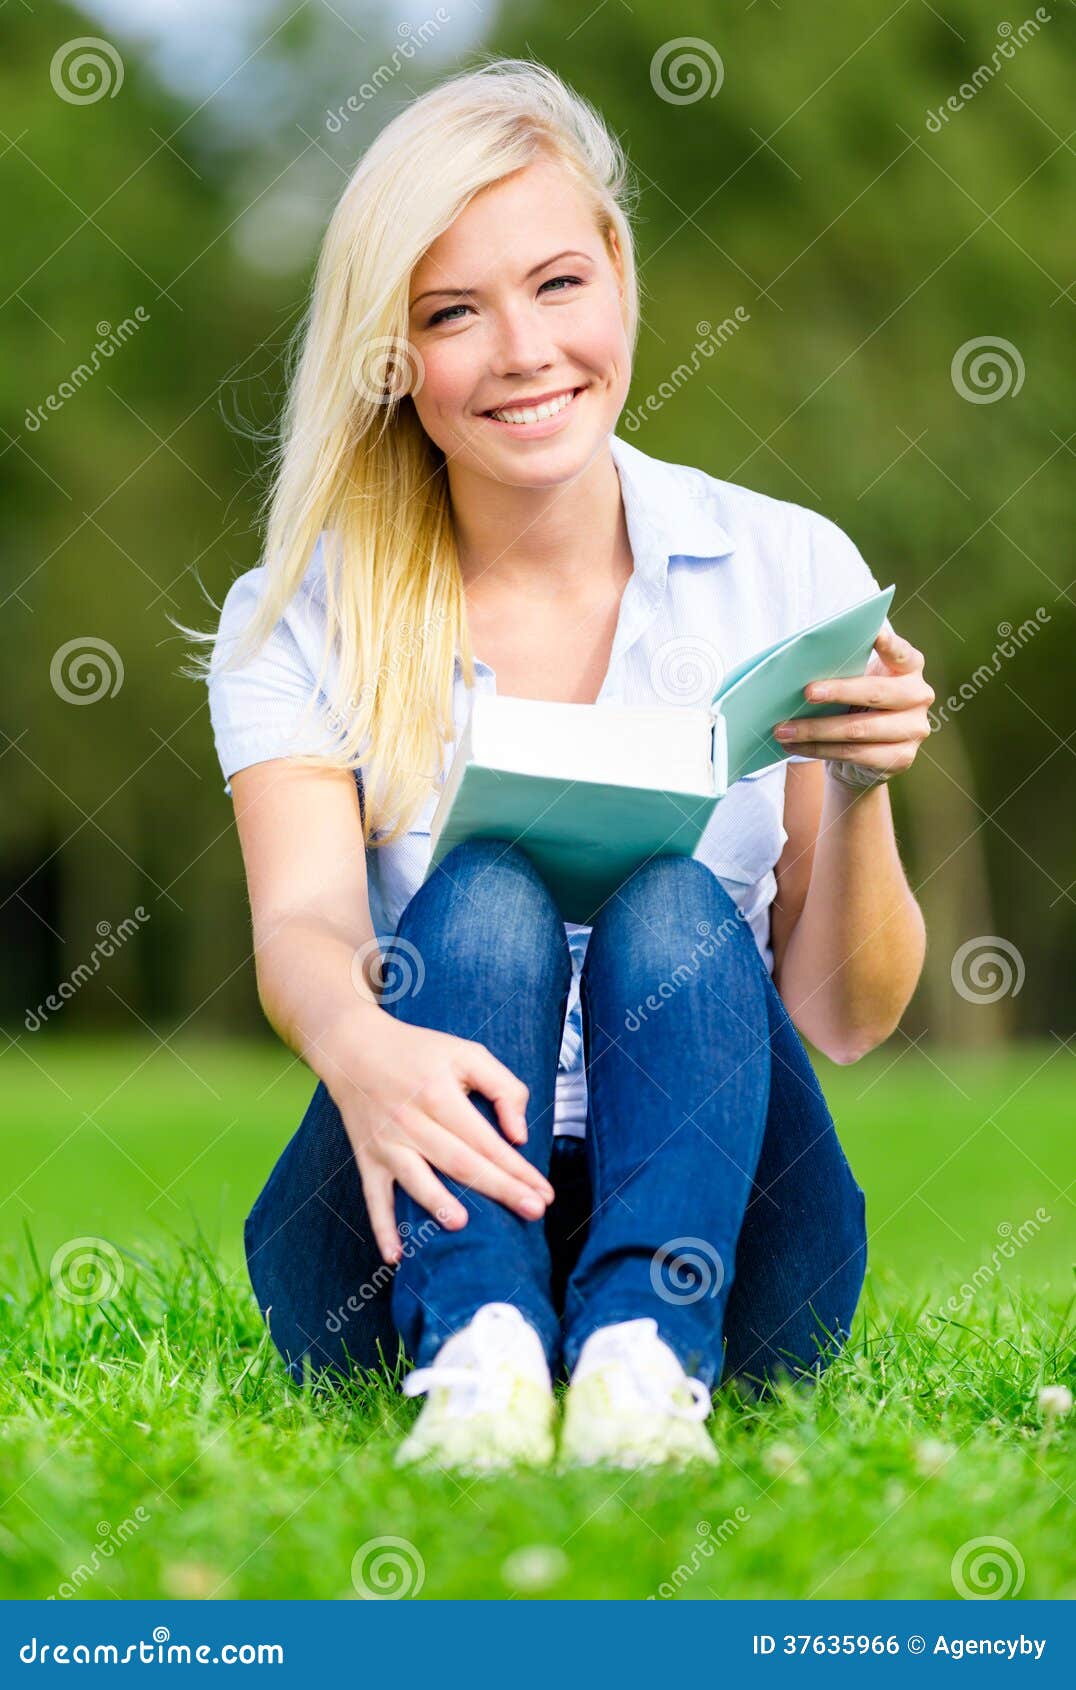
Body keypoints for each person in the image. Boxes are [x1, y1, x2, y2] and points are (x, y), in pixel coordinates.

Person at [190, 58, 933, 1473]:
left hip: (735, 1247)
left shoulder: (786, 568)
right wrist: (359, 1046)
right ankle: (478, 1359)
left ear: (622, 281)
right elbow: (303, 927)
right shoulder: (298, 610)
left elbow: (840, 1017)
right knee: (481, 895)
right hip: (401, 1231)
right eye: (453, 313)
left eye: (557, 285)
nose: (524, 351)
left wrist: (862, 787)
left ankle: (642, 1364)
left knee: (670, 899)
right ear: (394, 356)